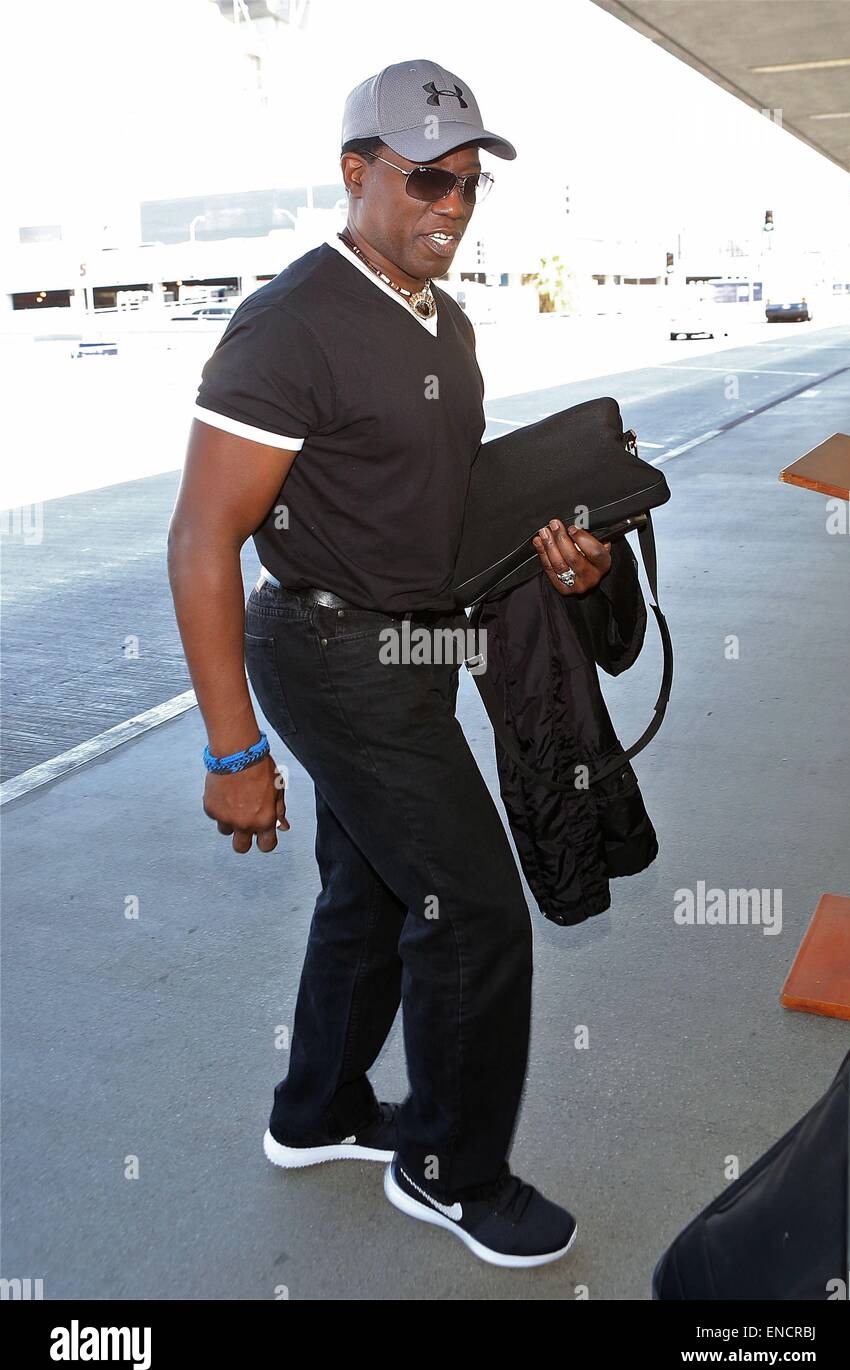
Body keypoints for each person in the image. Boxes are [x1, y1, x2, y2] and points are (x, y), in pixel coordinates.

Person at [167, 58, 612, 1269]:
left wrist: (557, 557)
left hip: (414, 646)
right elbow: (202, 540)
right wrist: (231, 748)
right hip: (329, 655)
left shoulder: (444, 323)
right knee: (468, 908)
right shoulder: (289, 323)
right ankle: (447, 1168)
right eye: (426, 178)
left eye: (469, 184)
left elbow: (444, 508)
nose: (452, 206)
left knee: (370, 890)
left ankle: (316, 1113)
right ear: (356, 174)